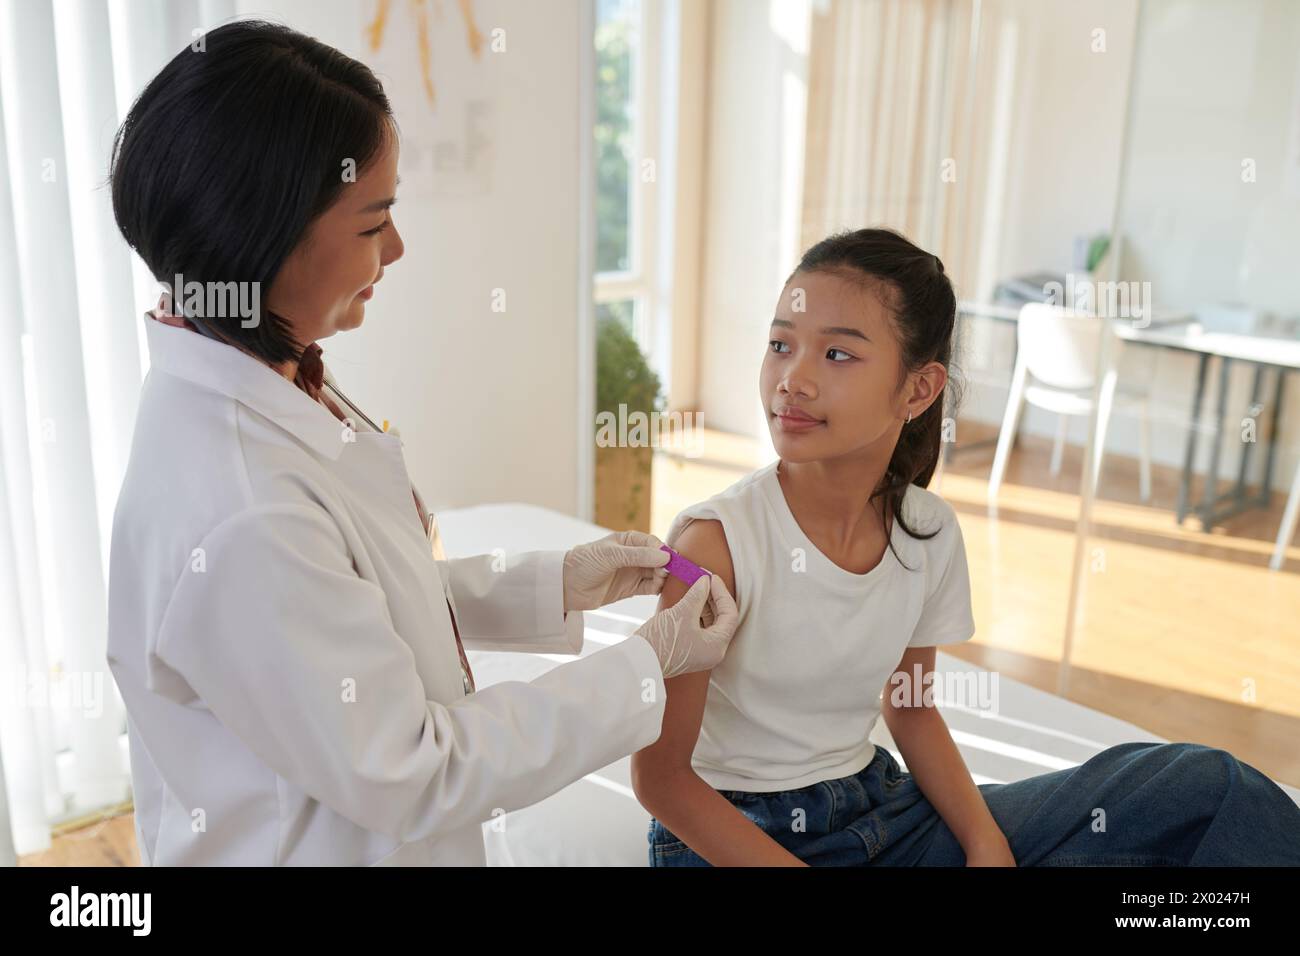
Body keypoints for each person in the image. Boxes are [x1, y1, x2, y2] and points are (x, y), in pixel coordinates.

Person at [105, 19, 738, 866]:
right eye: (373, 224)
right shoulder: (241, 507)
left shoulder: (260, 367)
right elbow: (416, 771)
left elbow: (353, 600)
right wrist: (645, 668)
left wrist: (551, 585)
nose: (396, 250)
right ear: (262, 235)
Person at [631, 227, 1300, 866]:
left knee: (1205, 789)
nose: (792, 379)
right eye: (781, 344)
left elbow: (912, 706)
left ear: (919, 389)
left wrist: (985, 844)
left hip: (884, 818)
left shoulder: (927, 533)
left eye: (836, 353)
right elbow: (662, 781)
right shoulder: (714, 547)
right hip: (733, 839)